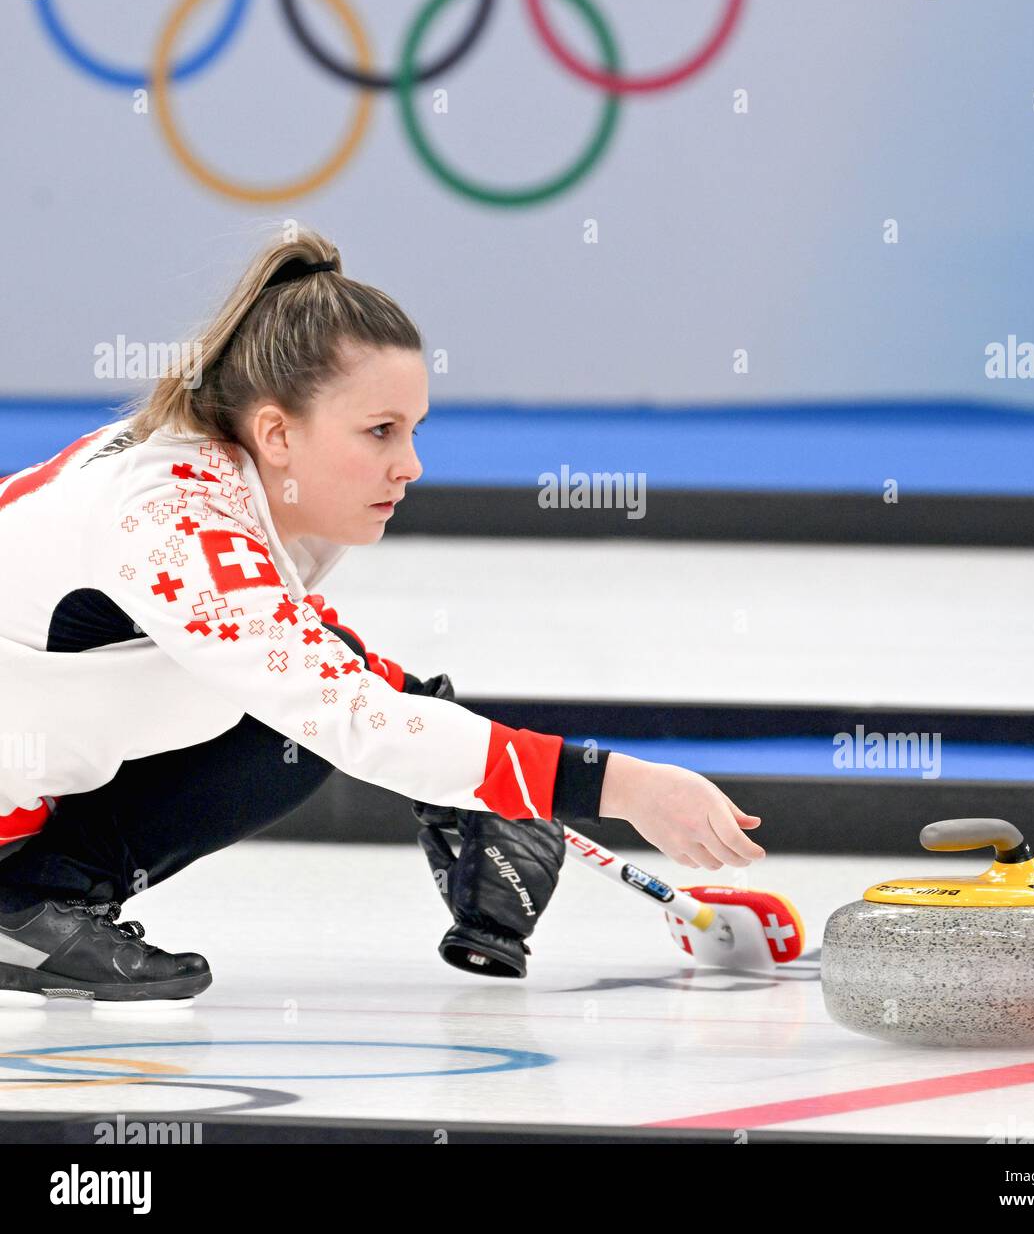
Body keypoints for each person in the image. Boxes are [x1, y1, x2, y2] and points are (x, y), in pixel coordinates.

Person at [0, 228, 764, 1004]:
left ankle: (35, 896)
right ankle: (28, 904)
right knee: (296, 720)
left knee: (301, 696)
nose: (411, 465)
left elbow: (304, 650)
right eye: (379, 433)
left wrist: (464, 771)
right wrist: (622, 788)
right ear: (276, 431)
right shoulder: (176, 520)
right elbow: (342, 709)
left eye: (413, 430)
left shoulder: (233, 478)